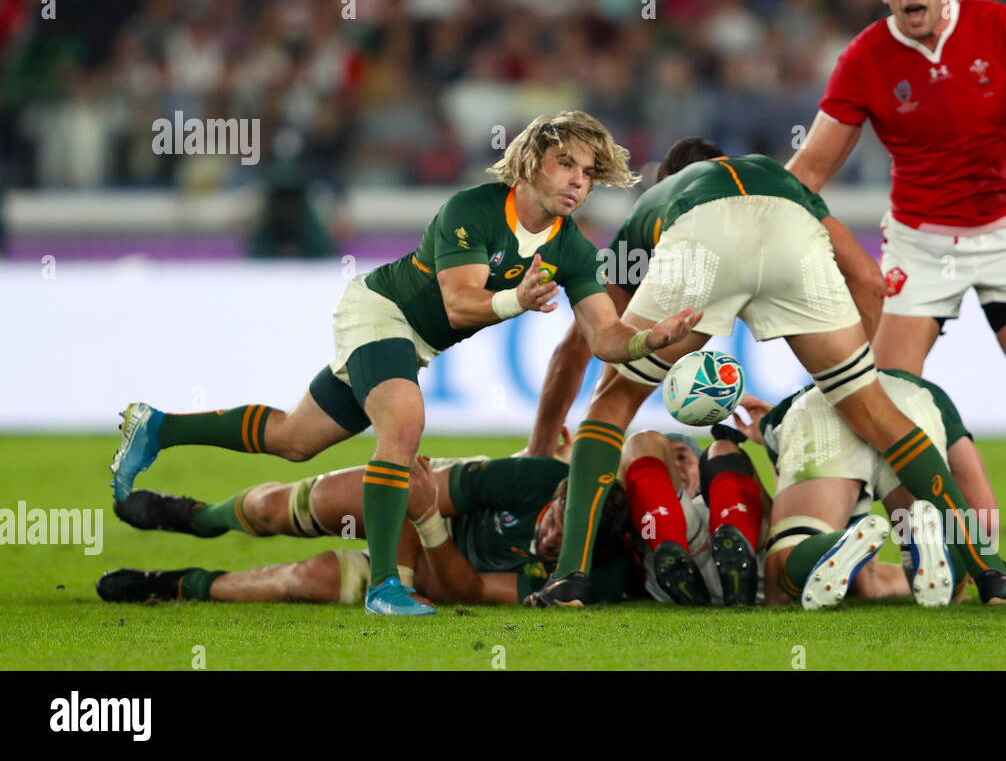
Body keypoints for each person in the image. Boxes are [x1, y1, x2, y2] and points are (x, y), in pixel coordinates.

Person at [109, 111, 701, 615]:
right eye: (566, 163)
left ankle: (157, 426)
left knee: (293, 439)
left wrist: (650, 340)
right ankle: (386, 586)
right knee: (404, 423)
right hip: (380, 311)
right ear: (530, 161)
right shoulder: (474, 209)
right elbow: (458, 301)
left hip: (412, 343)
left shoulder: (571, 248)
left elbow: (604, 337)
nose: (577, 181)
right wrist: (516, 299)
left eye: (589, 173)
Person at [524, 136, 1006, 606]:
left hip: (699, 242)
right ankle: (992, 571)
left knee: (609, 408)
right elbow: (870, 280)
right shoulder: (779, 176)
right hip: (792, 233)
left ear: (670, 180)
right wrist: (851, 383)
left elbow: (586, 339)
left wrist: (546, 441)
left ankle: (570, 577)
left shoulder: (657, 203)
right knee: (880, 415)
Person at [786, 0, 1006, 591]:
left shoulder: (1001, 27)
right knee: (883, 407)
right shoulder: (865, 59)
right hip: (921, 241)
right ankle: (899, 553)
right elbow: (810, 168)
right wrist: (755, 208)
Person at [98, 444, 634, 607]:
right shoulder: (534, 478)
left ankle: (175, 585)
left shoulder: (582, 582)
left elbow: (468, 590)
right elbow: (406, 490)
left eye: (566, 541)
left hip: (441, 566)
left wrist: (423, 543)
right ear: (558, 498)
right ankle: (199, 517)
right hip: (412, 507)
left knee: (307, 579)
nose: (552, 538)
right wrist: (399, 574)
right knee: (279, 509)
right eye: (555, 520)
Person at [733, 368, 1006, 609]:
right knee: (947, 546)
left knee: (785, 568)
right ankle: (937, 548)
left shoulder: (787, 409)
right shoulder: (928, 391)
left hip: (819, 408)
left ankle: (840, 541)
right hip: (910, 408)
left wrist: (773, 431)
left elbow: (789, 506)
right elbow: (982, 509)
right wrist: (980, 558)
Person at [617, 427, 765, 606]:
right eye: (665, 461)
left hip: (744, 544)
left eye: (682, 457)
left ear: (704, 469)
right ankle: (673, 561)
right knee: (641, 442)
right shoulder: (646, 516)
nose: (675, 466)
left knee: (722, 448)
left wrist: (741, 460)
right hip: (669, 544)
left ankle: (738, 557)